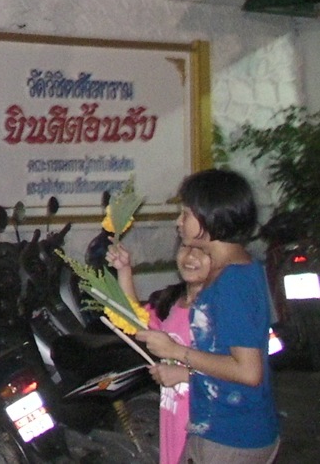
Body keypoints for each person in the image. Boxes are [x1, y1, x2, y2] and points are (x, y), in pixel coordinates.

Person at [137, 169, 280, 464]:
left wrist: (177, 352)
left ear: (210, 217)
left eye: (186, 214)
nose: (179, 222)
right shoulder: (230, 272)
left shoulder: (231, 284)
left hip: (233, 437)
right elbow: (220, 356)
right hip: (218, 429)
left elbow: (248, 372)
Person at [111, 239, 212, 464]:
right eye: (186, 247)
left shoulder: (216, 312)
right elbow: (137, 322)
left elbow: (236, 372)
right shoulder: (173, 307)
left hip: (204, 430)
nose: (191, 256)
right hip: (172, 423)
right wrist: (124, 270)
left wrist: (183, 374)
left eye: (202, 250)